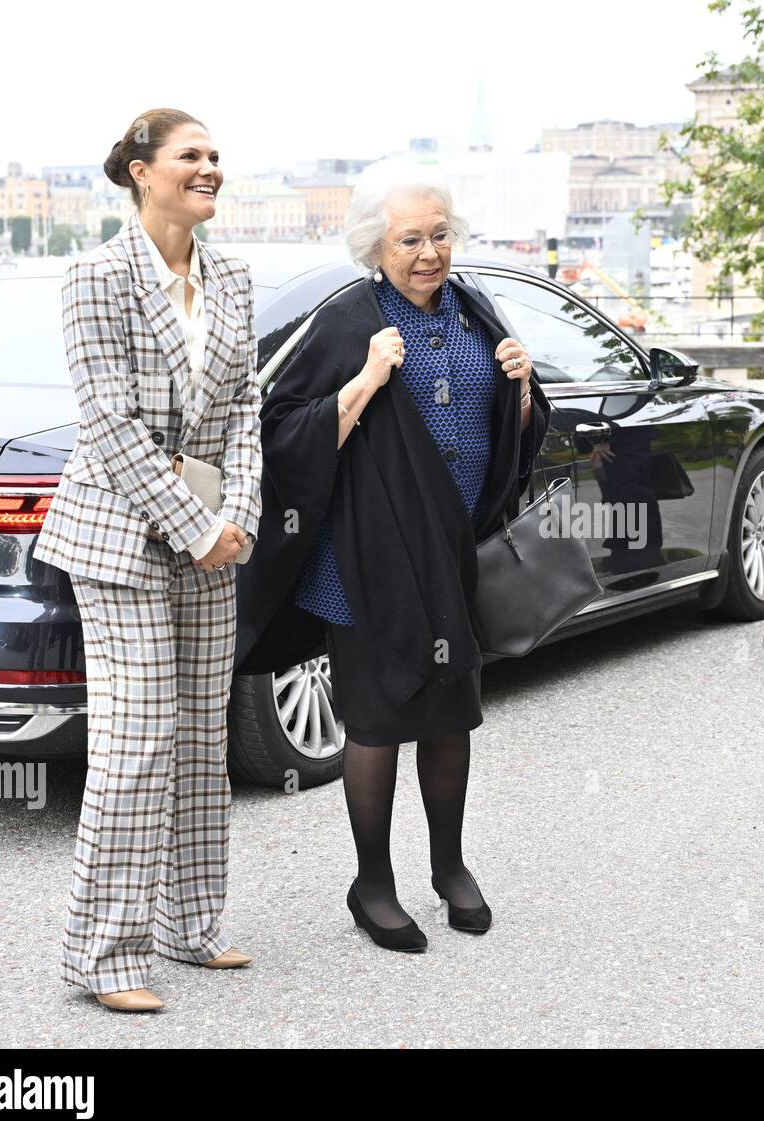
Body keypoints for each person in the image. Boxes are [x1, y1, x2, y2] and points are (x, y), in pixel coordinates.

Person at [234, 164, 549, 953]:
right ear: (376, 244)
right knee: (376, 720)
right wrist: (369, 378)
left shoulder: (476, 309)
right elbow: (281, 434)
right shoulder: (345, 320)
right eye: (410, 238)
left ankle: (449, 867)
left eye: (440, 234)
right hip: (364, 556)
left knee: (450, 712)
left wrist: (520, 390)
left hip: (450, 551)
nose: (428, 252)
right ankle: (372, 882)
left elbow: (511, 430)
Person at [34, 108, 262, 1011]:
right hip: (120, 541)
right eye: (190, 155)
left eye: (215, 155)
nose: (210, 167)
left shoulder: (236, 278)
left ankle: (191, 923)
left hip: (214, 538)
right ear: (140, 171)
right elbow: (110, 424)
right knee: (136, 744)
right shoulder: (95, 275)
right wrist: (194, 524)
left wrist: (234, 514)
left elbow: (244, 407)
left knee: (204, 736)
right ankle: (105, 955)